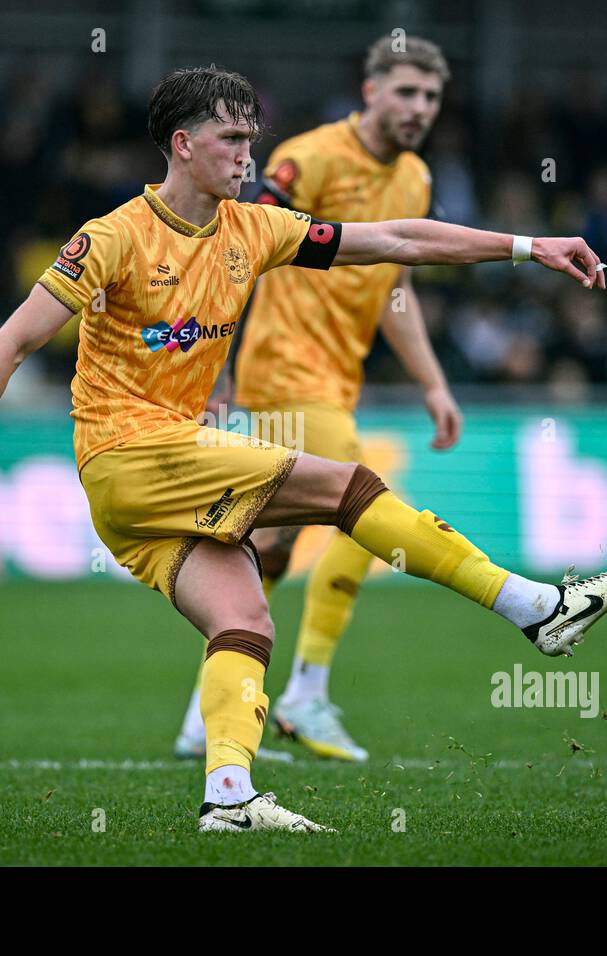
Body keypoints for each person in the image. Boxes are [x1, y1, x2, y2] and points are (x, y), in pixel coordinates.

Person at [0, 65, 607, 833]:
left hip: (139, 491)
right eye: (230, 139)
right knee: (348, 487)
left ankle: (228, 796)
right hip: (130, 453)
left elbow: (397, 239)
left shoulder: (257, 228)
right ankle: (537, 608)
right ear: (184, 145)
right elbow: (14, 339)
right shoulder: (113, 238)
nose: (246, 155)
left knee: (245, 620)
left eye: (251, 138)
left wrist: (527, 246)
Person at [174, 35, 459, 764]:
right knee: (368, 507)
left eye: (429, 96)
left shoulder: (417, 180)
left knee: (270, 544)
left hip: (337, 379)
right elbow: (237, 245)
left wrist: (430, 381)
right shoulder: (313, 156)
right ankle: (306, 688)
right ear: (370, 92)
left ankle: (206, 715)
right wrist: (219, 364)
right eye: (404, 92)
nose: (418, 108)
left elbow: (395, 287)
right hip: (281, 369)